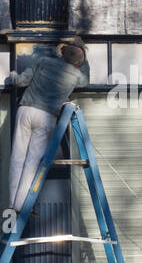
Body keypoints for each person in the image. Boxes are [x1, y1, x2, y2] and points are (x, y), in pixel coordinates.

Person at [6, 37, 90, 215]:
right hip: (47, 117)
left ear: (62, 51)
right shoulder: (77, 76)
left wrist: (12, 75)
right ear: (79, 61)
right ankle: (22, 205)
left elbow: (20, 81)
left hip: (26, 109)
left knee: (17, 158)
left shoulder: (43, 62)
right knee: (32, 162)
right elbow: (85, 78)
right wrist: (82, 55)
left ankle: (13, 204)